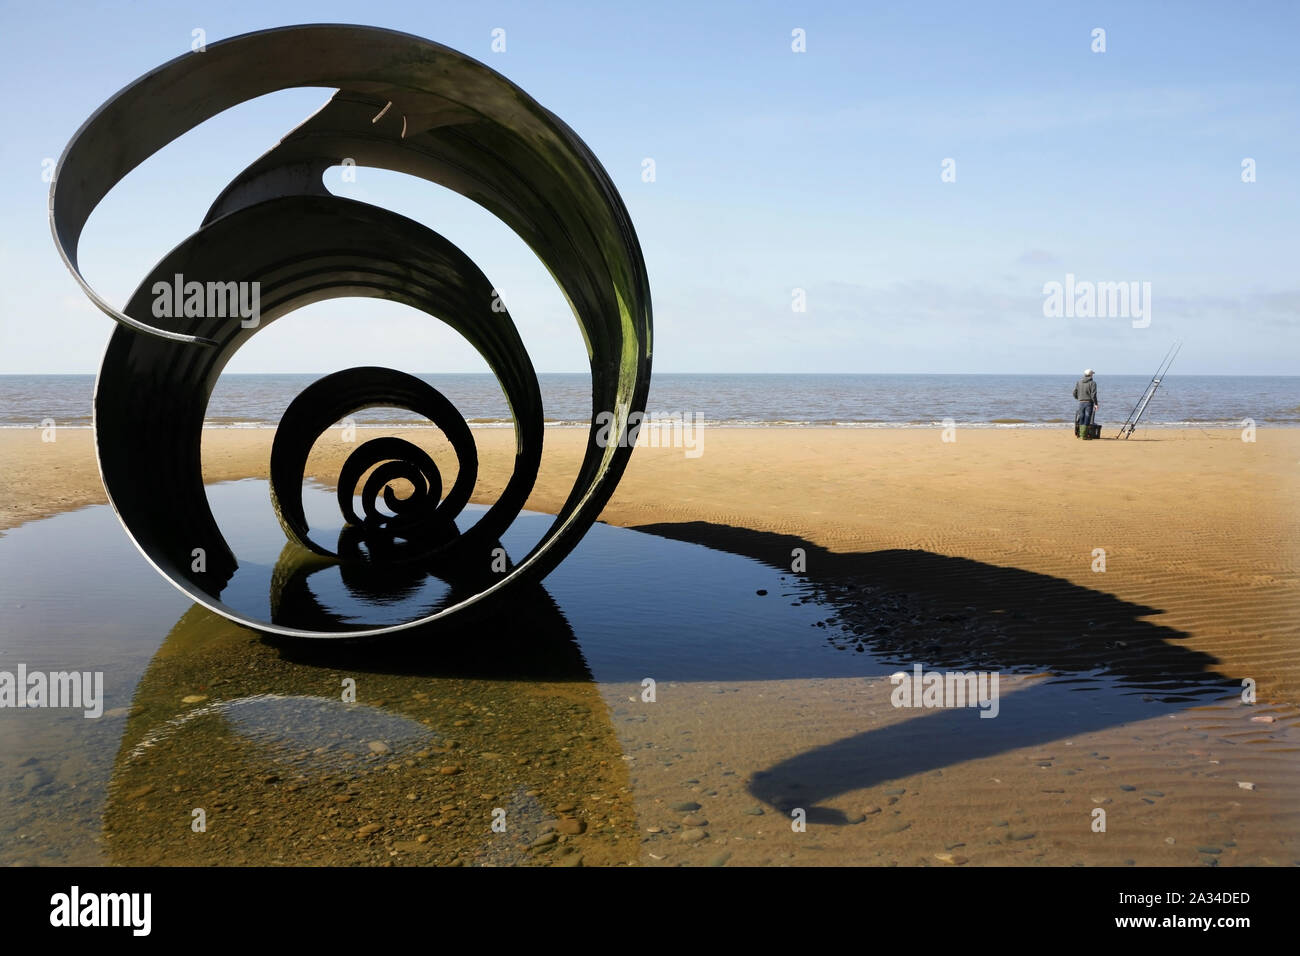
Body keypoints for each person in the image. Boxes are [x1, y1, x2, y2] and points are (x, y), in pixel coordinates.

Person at [1073, 368, 1098, 438]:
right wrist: (1096, 404)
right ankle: (1084, 435)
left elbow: (1074, 392)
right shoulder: (1093, 383)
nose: (1093, 375)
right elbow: (1093, 395)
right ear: (1090, 375)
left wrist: (1078, 398)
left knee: (1081, 417)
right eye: (1092, 374)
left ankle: (1081, 435)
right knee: (1087, 418)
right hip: (1089, 403)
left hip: (1081, 402)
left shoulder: (1079, 382)